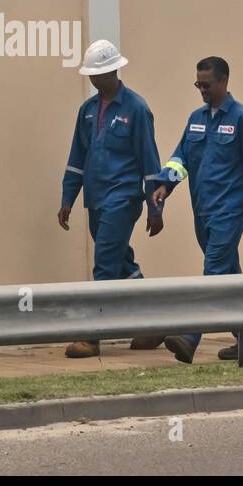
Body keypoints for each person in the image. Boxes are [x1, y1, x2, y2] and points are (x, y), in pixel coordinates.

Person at [150, 56, 243, 364]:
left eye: (206, 85)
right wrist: (165, 185)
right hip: (202, 209)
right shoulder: (196, 118)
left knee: (214, 270)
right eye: (198, 85)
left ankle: (189, 337)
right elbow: (180, 158)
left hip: (229, 209)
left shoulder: (242, 118)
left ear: (223, 82)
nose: (201, 90)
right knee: (229, 274)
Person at [58, 39, 166, 358]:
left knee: (104, 262)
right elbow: (77, 155)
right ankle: (155, 324)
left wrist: (154, 208)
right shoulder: (88, 111)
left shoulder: (136, 109)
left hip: (123, 197)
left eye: (101, 74)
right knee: (120, 261)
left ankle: (93, 335)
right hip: (96, 196)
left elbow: (150, 163)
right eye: (92, 75)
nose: (96, 80)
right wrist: (68, 197)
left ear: (116, 70)